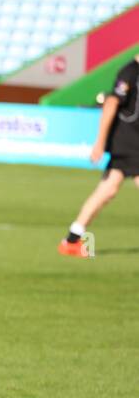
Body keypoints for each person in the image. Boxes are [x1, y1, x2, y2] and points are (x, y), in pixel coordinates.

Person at [59, 57, 139, 257]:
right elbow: (111, 103)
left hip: (131, 143)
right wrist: (100, 142)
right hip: (129, 143)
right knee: (108, 189)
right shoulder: (129, 71)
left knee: (108, 189)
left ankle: (72, 239)